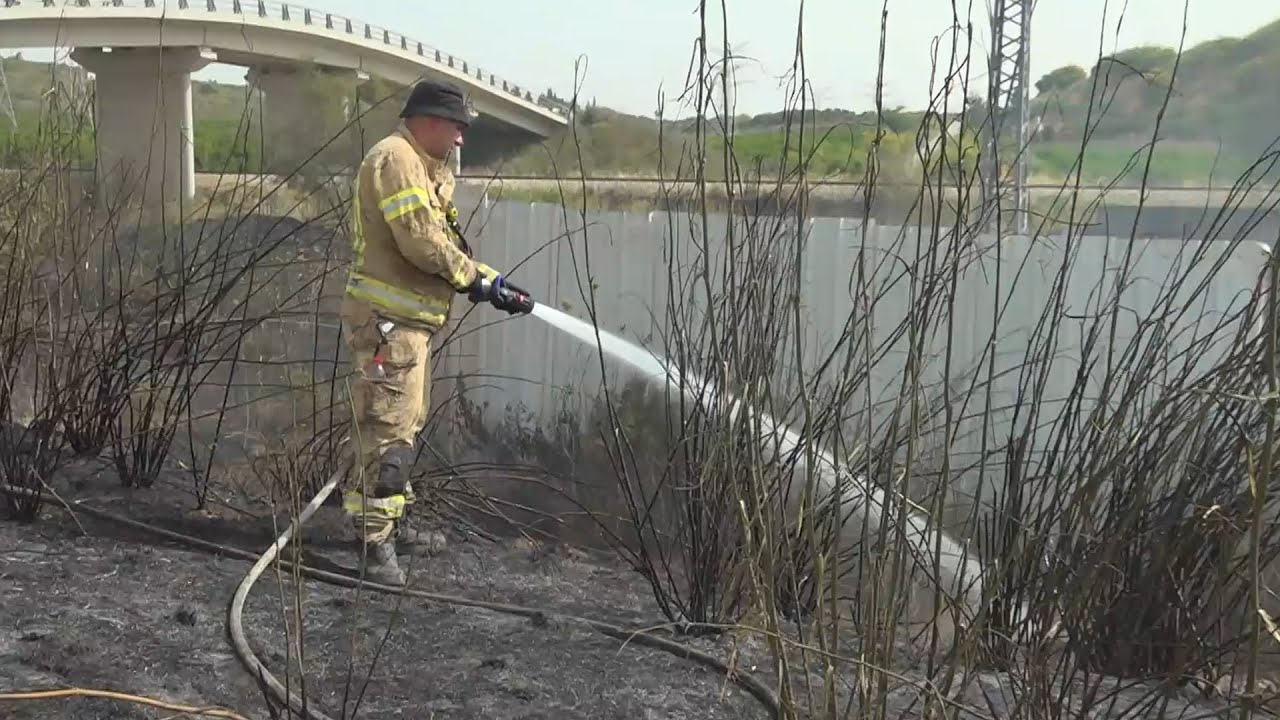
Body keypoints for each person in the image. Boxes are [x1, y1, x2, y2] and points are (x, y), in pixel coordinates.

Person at [340, 78, 533, 586]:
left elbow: (439, 241)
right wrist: (471, 278)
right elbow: (422, 242)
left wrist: (488, 280)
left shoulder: (419, 164)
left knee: (402, 425)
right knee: (386, 430)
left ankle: (388, 524)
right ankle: (374, 545)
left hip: (405, 328)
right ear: (428, 120)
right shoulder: (397, 159)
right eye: (456, 127)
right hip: (388, 326)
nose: (461, 139)